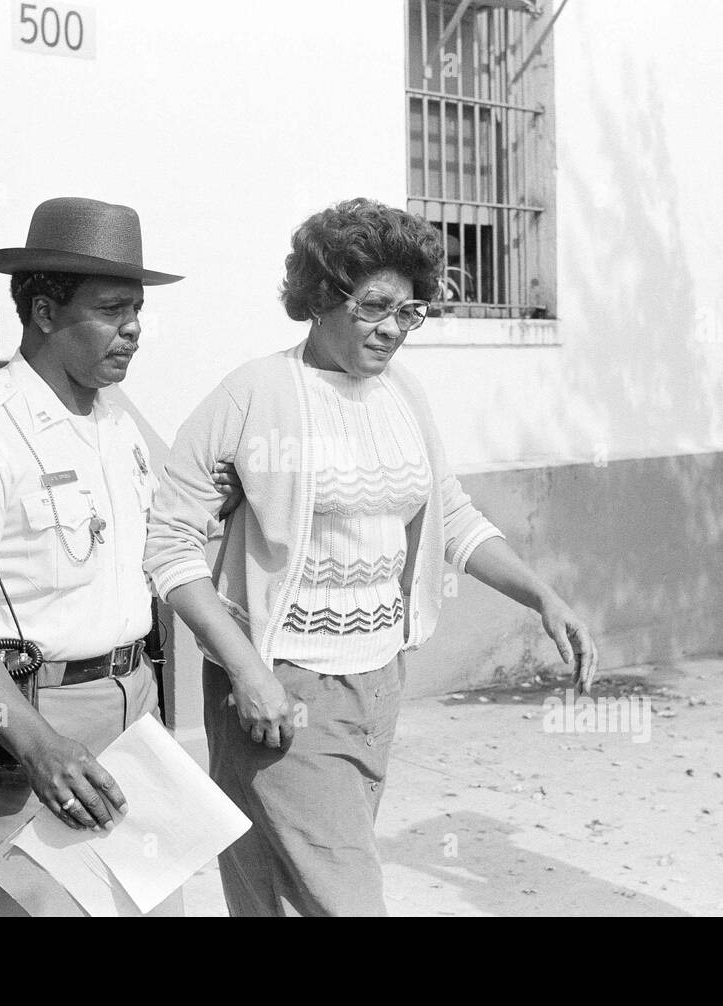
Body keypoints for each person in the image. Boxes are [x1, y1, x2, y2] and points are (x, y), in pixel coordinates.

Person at [144, 197, 599, 917]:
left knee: (273, 896)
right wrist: (247, 668)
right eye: (376, 306)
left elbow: (452, 517)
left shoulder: (402, 396)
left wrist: (541, 595)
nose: (393, 328)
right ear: (322, 297)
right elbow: (168, 546)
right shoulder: (255, 393)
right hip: (282, 686)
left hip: (378, 679)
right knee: (346, 899)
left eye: (410, 312)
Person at [0, 197, 205, 917]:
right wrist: (36, 742)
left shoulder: (115, 424)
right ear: (43, 312)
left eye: (136, 309)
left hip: (131, 701)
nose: (133, 328)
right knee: (42, 911)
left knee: (151, 907)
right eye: (111, 309)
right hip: (27, 717)